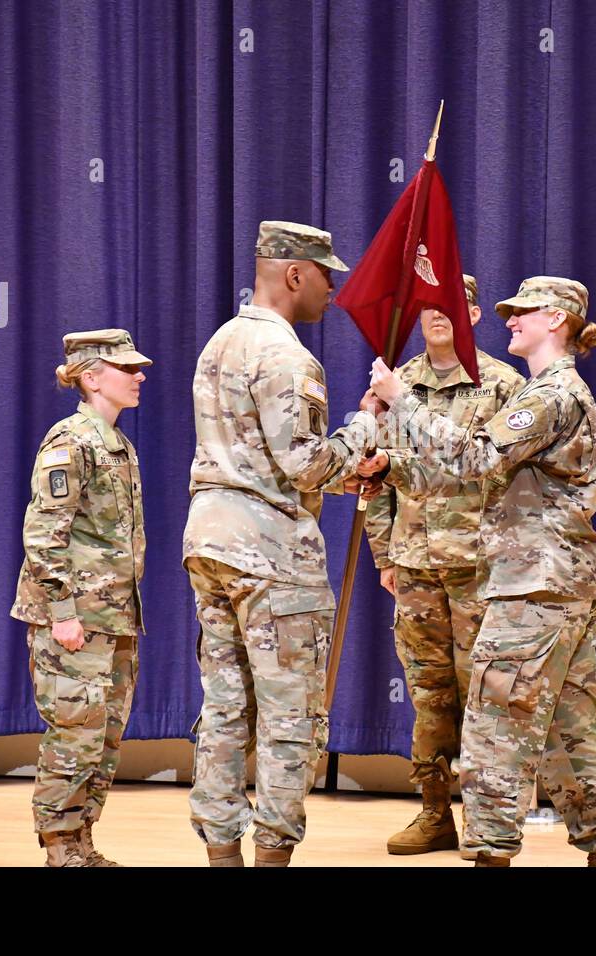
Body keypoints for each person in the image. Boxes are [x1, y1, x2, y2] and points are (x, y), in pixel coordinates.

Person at [361, 276, 596, 867]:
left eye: (523, 313)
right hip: (556, 579)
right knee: (571, 721)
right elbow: (476, 476)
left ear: (556, 320)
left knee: (493, 725)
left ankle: (491, 854)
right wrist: (390, 471)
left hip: (535, 584)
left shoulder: (548, 395)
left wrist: (401, 400)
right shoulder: (552, 391)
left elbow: (476, 456)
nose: (510, 321)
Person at [183, 220, 380, 867]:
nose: (334, 288)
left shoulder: (218, 344)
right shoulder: (289, 358)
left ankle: (221, 858)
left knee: (224, 712)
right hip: (271, 558)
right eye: (327, 274)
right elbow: (303, 465)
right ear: (295, 274)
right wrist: (365, 430)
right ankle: (270, 860)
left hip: (211, 542)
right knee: (289, 720)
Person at [364, 274, 524, 854]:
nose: (439, 314)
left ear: (475, 315)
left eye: (453, 305)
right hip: (414, 565)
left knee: (485, 696)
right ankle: (434, 812)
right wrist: (385, 554)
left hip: (482, 567)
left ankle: (488, 821)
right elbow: (374, 473)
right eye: (429, 304)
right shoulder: (395, 382)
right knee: (429, 693)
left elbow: (513, 477)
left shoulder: (503, 385)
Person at [11, 328, 152, 867]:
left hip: (113, 619)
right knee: (73, 739)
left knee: (104, 742)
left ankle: (82, 842)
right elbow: (45, 534)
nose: (139, 376)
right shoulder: (71, 441)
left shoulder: (116, 443)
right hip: (75, 622)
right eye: (127, 369)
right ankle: (59, 847)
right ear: (91, 376)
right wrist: (63, 613)